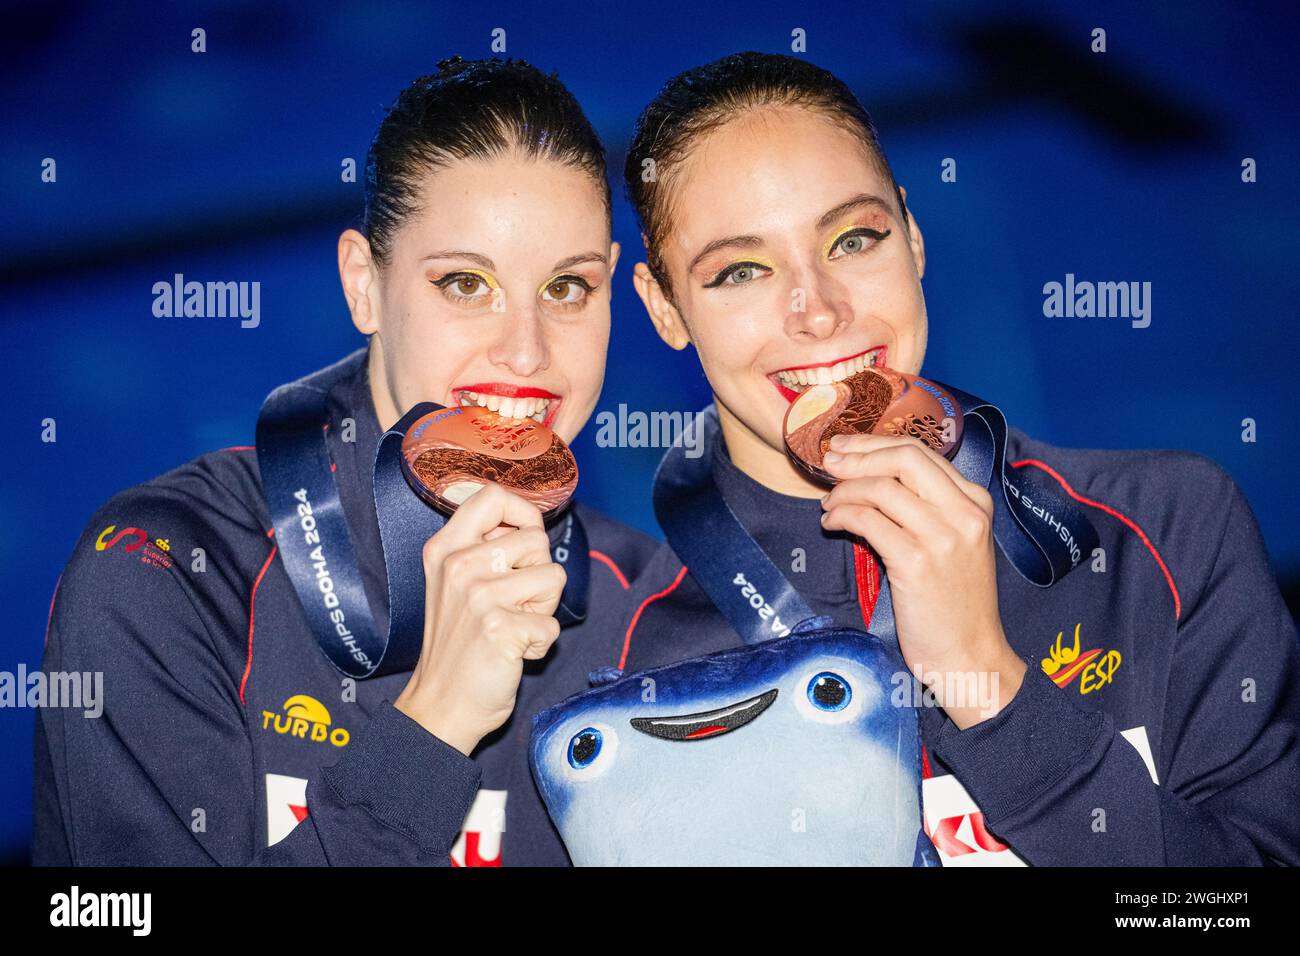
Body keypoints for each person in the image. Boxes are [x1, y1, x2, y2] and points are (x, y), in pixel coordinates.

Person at [617, 51, 1300, 865]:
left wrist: (990, 685)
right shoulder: (617, 651)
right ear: (666, 309)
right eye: (742, 270)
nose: (820, 311)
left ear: (911, 237)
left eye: (853, 239)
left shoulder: (1168, 526)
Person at [33, 57, 657, 866]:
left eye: (568, 288)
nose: (526, 350)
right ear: (364, 284)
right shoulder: (165, 567)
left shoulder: (652, 606)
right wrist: (431, 730)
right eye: (466, 283)